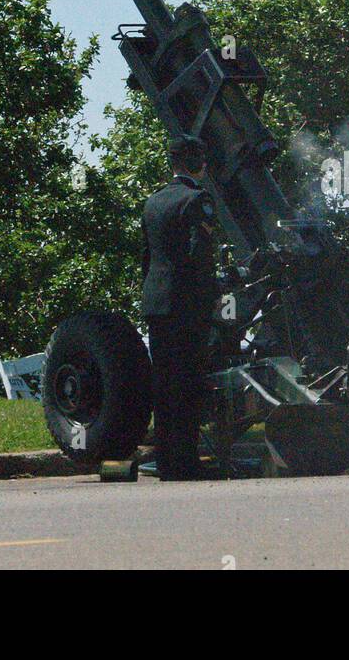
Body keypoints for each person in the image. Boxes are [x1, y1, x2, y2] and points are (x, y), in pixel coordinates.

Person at [141, 134, 218, 480]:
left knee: (165, 383)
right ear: (197, 163)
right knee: (188, 383)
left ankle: (166, 460)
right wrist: (211, 295)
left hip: (156, 302)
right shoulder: (197, 200)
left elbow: (148, 257)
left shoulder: (153, 202)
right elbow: (199, 255)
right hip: (186, 304)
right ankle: (185, 462)